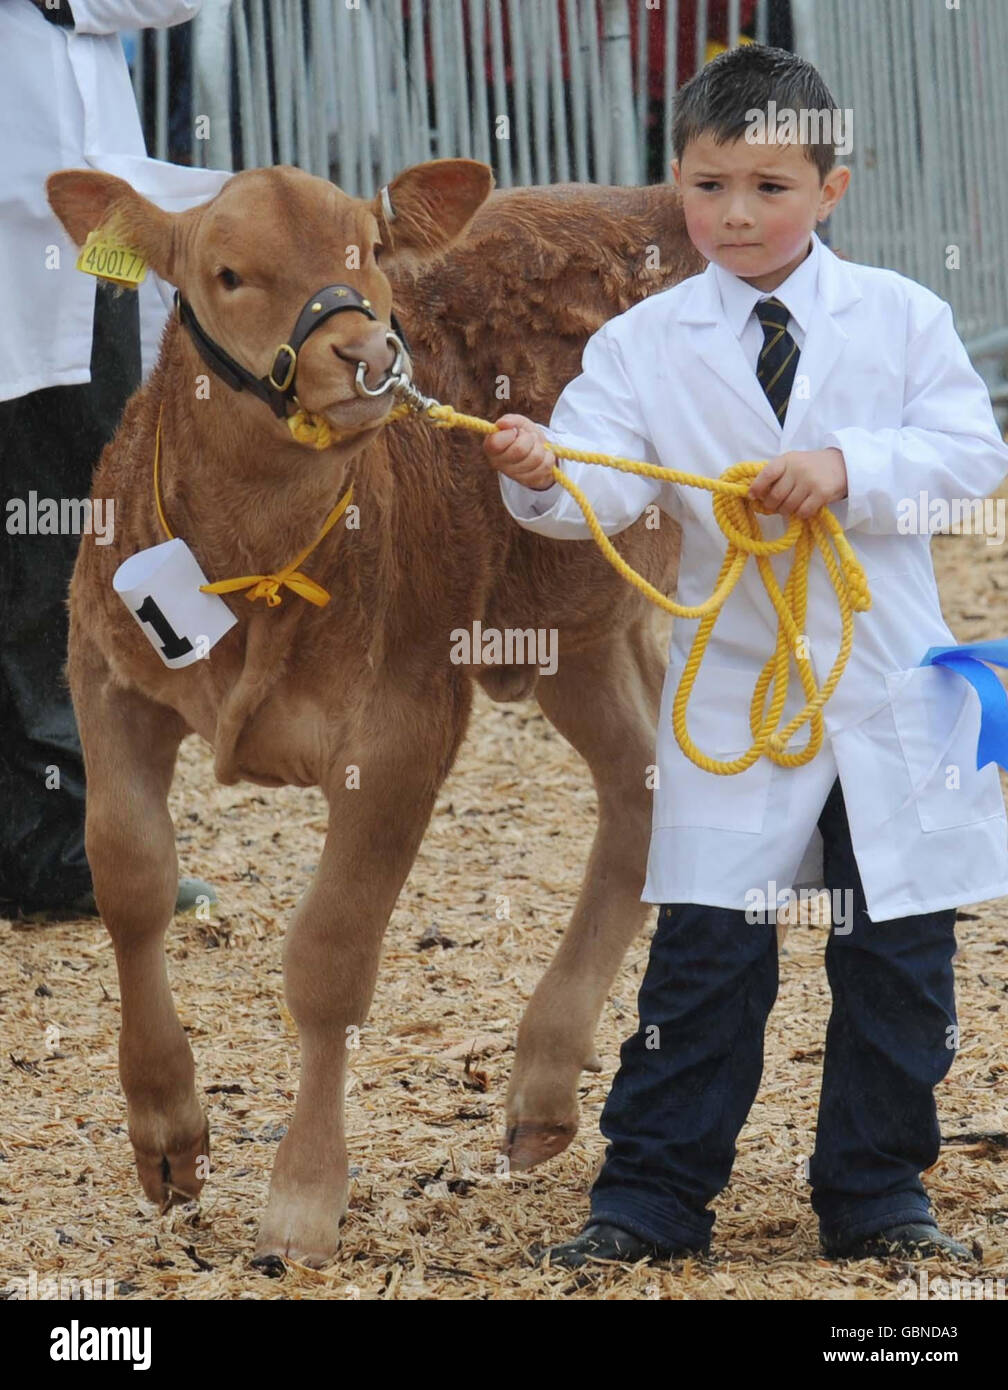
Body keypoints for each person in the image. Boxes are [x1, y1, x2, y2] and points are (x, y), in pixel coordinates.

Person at [484, 43, 1008, 1266]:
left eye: (770, 187)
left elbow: (969, 453)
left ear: (833, 188)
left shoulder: (903, 315)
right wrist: (541, 472)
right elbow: (601, 483)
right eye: (711, 185)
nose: (736, 214)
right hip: (735, 693)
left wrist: (848, 469)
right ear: (678, 182)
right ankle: (653, 1198)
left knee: (898, 958)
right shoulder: (645, 341)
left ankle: (877, 1193)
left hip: (889, 687)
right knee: (706, 957)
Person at [0, 0, 229, 918]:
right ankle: (53, 844)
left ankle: (58, 837)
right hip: (49, 216)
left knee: (68, 516)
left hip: (79, 223)